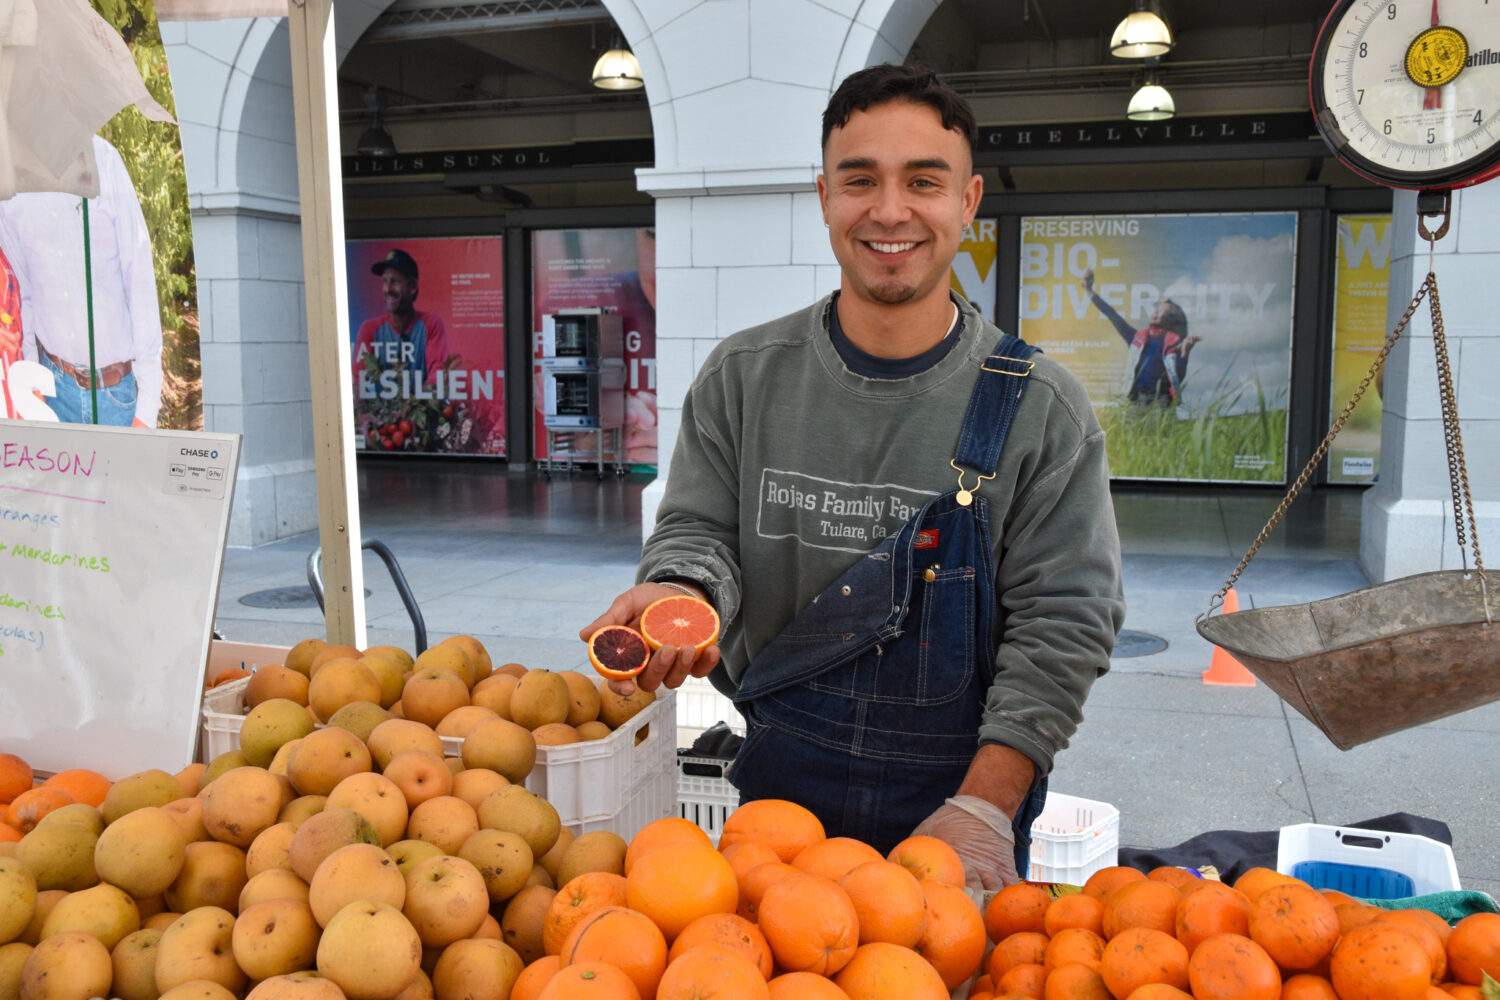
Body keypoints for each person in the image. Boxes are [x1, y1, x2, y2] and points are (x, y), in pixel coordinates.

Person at [581, 64, 1124, 894]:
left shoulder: (1041, 408)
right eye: (861, 180)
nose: (890, 210)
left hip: (962, 806)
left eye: (924, 181)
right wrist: (680, 591)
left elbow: (1065, 622)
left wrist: (986, 807)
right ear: (825, 197)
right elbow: (698, 532)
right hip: (779, 801)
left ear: (969, 202)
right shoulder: (743, 377)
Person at [0, 135, 162, 427]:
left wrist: (148, 406)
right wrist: (32, 382)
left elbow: (138, 278)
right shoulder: (10, 185)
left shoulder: (103, 160)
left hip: (115, 397)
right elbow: (22, 293)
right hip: (51, 394)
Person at [1081, 268, 1201, 405]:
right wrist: (1089, 290)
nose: (1156, 312)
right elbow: (1111, 314)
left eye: (1162, 311)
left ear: (1171, 319)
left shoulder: (1174, 344)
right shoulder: (1136, 338)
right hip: (1135, 399)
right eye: (1157, 309)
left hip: (1162, 402)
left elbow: (1177, 377)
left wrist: (1185, 353)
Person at [353, 248, 449, 388]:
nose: (387, 289)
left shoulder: (431, 324)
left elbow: (438, 374)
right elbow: (357, 381)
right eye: (385, 281)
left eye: (395, 282)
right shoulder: (370, 329)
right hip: (383, 404)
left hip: (423, 402)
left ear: (413, 287)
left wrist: (417, 400)